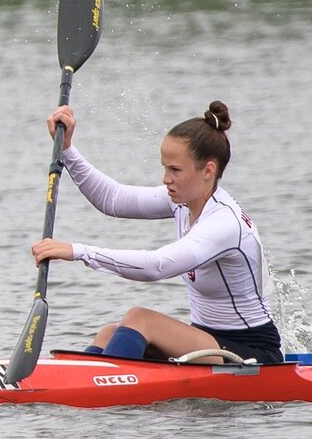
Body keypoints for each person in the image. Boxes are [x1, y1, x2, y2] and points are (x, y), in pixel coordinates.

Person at [31, 101, 280, 364]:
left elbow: (157, 266)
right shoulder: (183, 202)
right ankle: (81, 385)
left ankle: (99, 388)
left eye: (175, 170)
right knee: (108, 334)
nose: (165, 179)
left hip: (254, 353)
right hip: (208, 339)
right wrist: (67, 149)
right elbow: (111, 199)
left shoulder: (224, 223)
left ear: (208, 170)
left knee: (140, 319)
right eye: (164, 167)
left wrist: (78, 251)